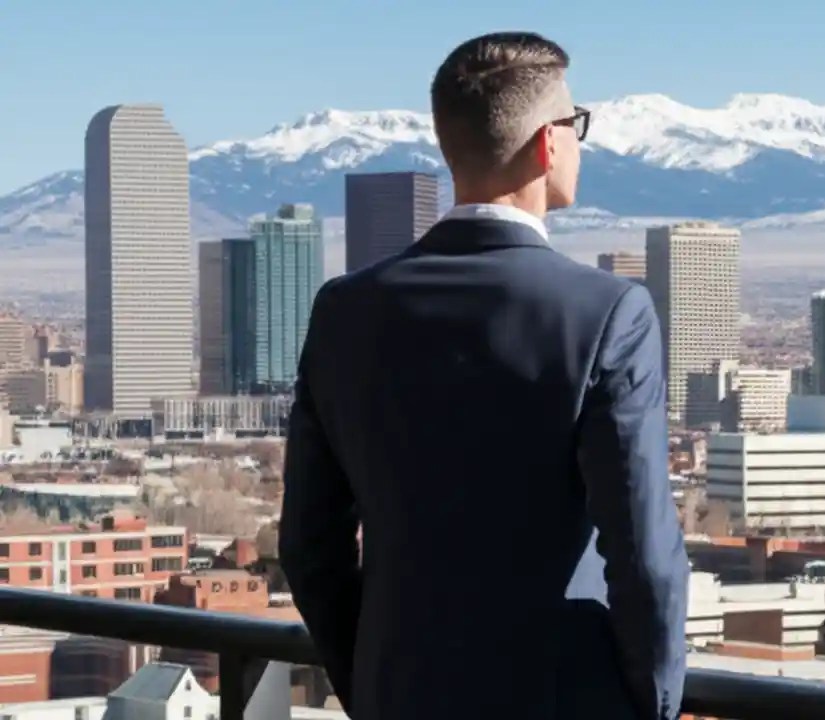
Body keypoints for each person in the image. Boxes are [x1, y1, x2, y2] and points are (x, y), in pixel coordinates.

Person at [279, 32, 689, 720]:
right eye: (576, 124)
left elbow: (308, 547)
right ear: (547, 143)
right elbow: (645, 555)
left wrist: (371, 682)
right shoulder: (607, 313)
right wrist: (651, 705)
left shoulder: (345, 309)